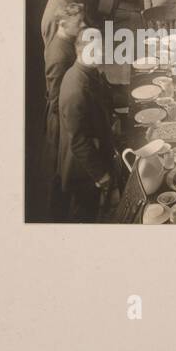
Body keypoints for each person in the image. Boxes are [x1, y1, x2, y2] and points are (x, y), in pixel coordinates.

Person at [56, 31, 117, 221]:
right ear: (80, 51)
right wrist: (101, 175)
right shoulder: (75, 90)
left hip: (96, 155)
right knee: (85, 214)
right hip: (83, 170)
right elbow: (79, 143)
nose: (102, 53)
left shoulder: (89, 71)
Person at [43, 5, 84, 220]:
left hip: (66, 114)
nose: (83, 25)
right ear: (62, 24)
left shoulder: (66, 41)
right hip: (62, 120)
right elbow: (57, 98)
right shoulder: (58, 55)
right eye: (79, 22)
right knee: (63, 173)